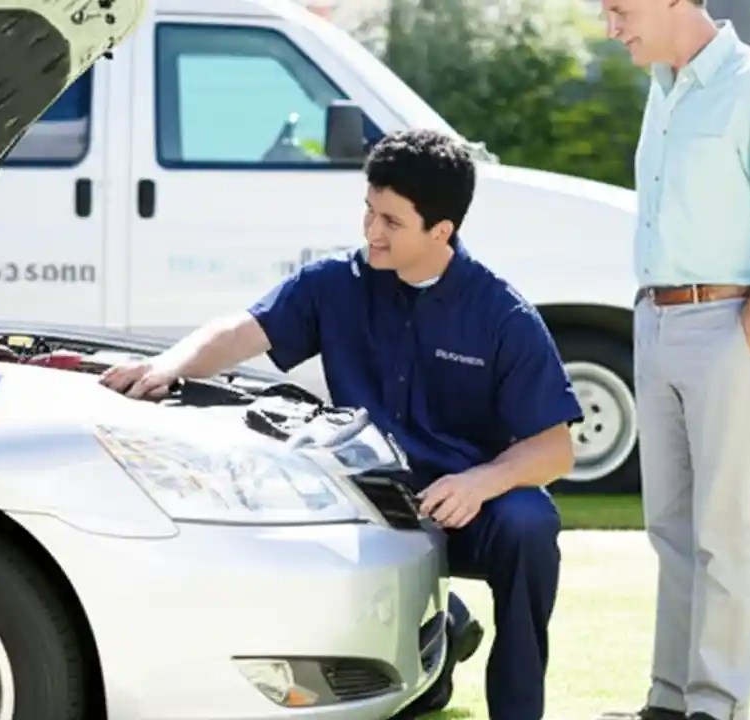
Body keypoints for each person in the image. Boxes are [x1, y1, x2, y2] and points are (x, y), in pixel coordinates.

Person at [100, 128, 585, 719]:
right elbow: (242, 332)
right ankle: (437, 634)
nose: (372, 232)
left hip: (461, 504)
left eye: (391, 221)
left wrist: (480, 482)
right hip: (357, 499)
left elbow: (556, 449)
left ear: (442, 231)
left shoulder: (503, 315)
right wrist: (167, 364)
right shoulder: (333, 283)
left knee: (530, 523)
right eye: (368, 210)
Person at [597, 2, 750, 720]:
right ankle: (669, 699)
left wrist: (747, 330)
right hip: (656, 321)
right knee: (669, 527)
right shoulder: (662, 94)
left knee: (721, 530)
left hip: (726, 323)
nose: (611, 26)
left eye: (619, 8)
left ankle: (717, 704)